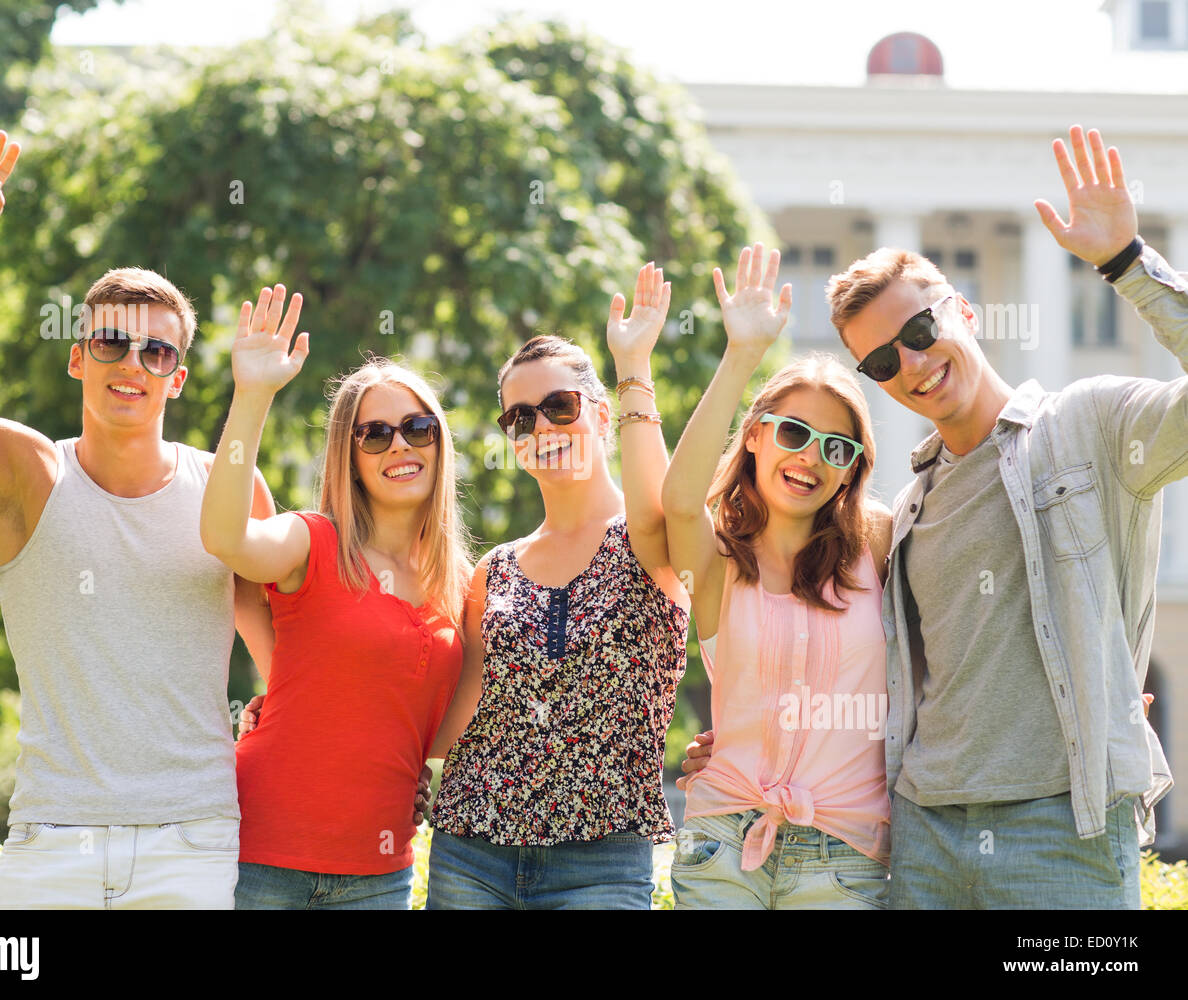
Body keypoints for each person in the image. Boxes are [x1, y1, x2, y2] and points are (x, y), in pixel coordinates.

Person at [685, 125, 1181, 910]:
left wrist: (1127, 265)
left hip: (1065, 832)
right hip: (921, 836)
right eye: (883, 362)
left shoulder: (1086, 425)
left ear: (967, 313)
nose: (912, 366)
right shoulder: (901, 515)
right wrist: (753, 730)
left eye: (921, 332)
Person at [0, 130, 278, 909]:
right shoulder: (29, 474)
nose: (133, 363)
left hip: (194, 844)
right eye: (111, 342)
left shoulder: (228, 489)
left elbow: (284, 664)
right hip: (51, 844)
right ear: (78, 358)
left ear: (178, 378)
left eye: (157, 353)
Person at [423, 264, 690, 909]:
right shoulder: (496, 569)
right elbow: (459, 706)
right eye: (520, 418)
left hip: (602, 858)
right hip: (470, 846)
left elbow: (660, 511)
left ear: (600, 416)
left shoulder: (653, 544)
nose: (541, 429)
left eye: (559, 407)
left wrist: (633, 365)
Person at [200, 287, 472, 910]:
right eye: (374, 435)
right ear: (350, 459)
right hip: (261, 859)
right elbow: (223, 536)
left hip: (380, 873)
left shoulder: (463, 584)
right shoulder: (311, 542)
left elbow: (438, 732)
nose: (399, 446)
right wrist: (253, 394)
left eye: (416, 428)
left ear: (439, 442)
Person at [662, 245, 892, 909]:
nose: (811, 456)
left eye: (837, 448)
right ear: (756, 435)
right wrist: (742, 354)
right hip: (723, 841)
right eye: (793, 432)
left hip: (843, 854)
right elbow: (679, 500)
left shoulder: (876, 545)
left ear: (851, 469)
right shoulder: (717, 561)